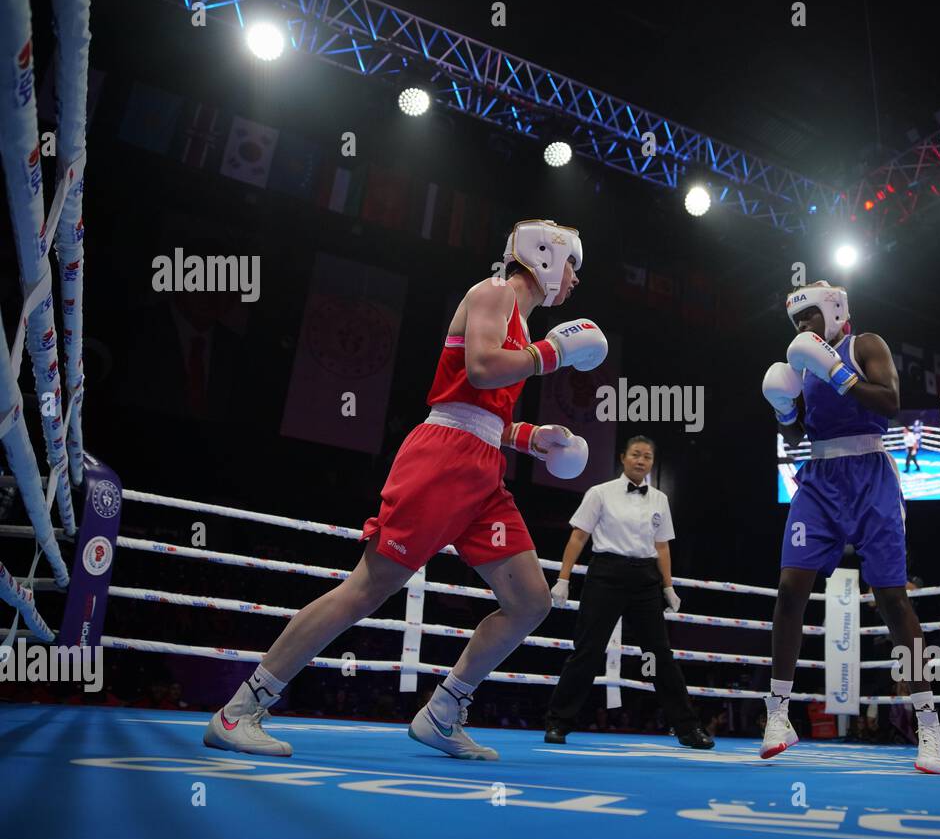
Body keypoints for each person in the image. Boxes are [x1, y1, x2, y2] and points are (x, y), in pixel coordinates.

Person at [203, 219, 606, 760]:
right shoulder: (491, 294)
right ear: (545, 256)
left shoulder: (519, 324)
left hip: (482, 470)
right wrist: (551, 353)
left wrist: (531, 438)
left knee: (530, 601)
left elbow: (482, 411)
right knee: (368, 588)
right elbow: (482, 371)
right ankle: (241, 709)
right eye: (573, 264)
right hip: (442, 461)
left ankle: (443, 712)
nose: (575, 279)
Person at [761, 281, 940, 773]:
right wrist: (783, 410)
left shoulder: (865, 345)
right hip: (820, 479)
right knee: (789, 588)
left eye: (810, 318)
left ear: (834, 312)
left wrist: (839, 372)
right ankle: (778, 715)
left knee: (891, 598)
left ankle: (929, 726)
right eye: (797, 323)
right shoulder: (800, 364)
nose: (803, 328)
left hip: (871, 474)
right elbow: (802, 429)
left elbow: (888, 402)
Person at [543, 436, 713, 748]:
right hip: (606, 574)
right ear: (623, 457)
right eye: (635, 454)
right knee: (587, 650)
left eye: (647, 456)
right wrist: (563, 578)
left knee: (658, 654)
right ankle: (558, 723)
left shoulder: (660, 499)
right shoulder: (600, 493)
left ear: (652, 463)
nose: (641, 460)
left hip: (646, 579)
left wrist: (668, 586)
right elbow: (579, 537)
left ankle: (688, 729)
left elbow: (662, 547)